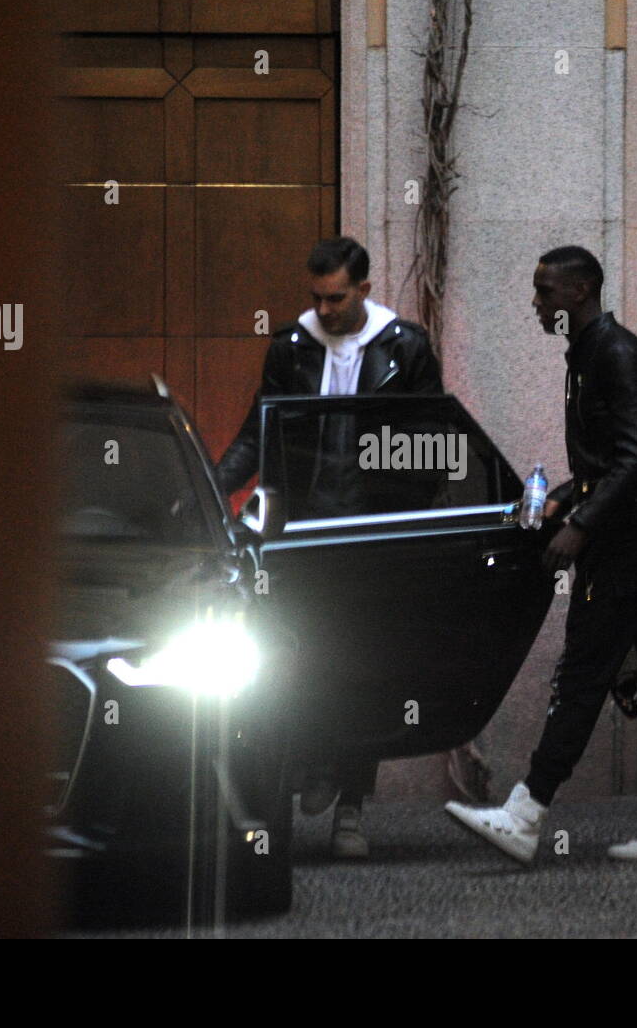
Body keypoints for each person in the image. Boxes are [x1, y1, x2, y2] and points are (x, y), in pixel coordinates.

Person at [444, 246, 637, 864]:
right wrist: (566, 499)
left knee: (583, 678)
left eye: (546, 291)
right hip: (631, 543)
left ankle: (526, 812)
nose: (536, 304)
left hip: (628, 550)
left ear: (583, 289)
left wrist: (582, 525)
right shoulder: (591, 353)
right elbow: (610, 463)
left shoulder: (615, 355)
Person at [215, 236, 443, 858]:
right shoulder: (292, 347)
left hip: (368, 537)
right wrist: (210, 491)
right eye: (315, 298)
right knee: (299, 664)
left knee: (362, 670)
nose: (325, 308)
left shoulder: (405, 347)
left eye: (336, 297)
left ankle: (350, 808)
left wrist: (405, 522)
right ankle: (315, 769)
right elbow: (259, 431)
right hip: (304, 532)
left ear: (365, 289)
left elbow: (433, 443)